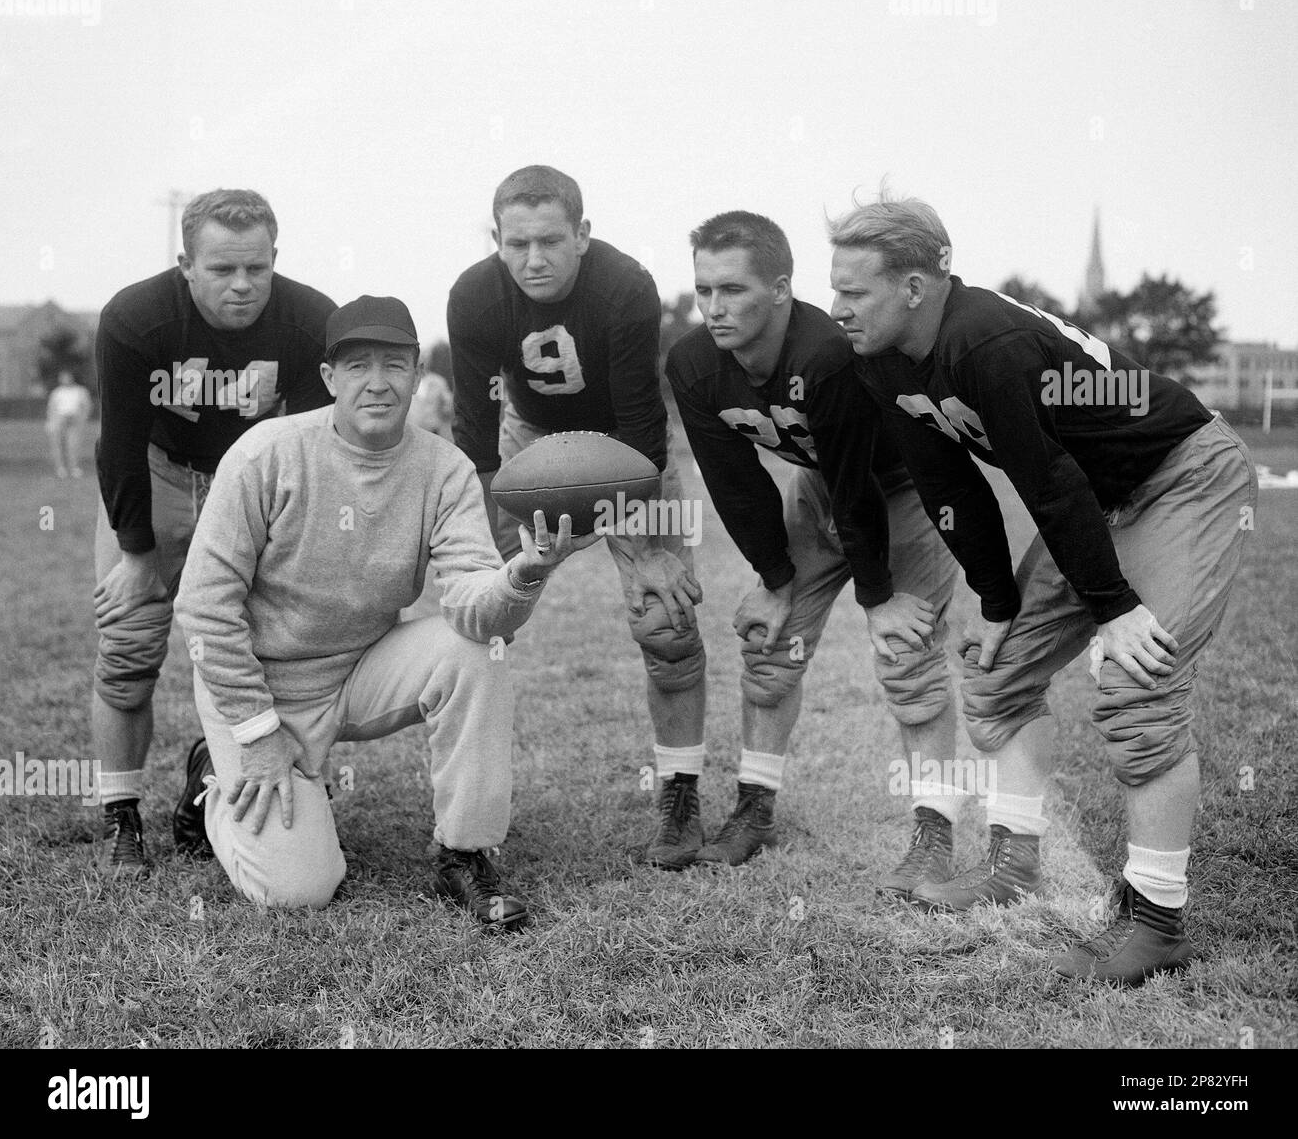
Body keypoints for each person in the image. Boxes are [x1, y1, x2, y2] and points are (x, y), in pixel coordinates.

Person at [828, 192, 1257, 984]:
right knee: (996, 672)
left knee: (1137, 677)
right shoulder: (881, 360)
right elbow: (946, 480)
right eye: (835, 288)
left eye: (854, 291)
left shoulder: (986, 342)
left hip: (1182, 474)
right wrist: (996, 604)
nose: (838, 308)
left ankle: (1157, 918)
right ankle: (1012, 862)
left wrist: (1117, 609)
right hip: (1096, 499)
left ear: (915, 287)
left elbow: (1049, 483)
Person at [173, 296, 597, 926]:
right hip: (262, 693)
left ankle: (465, 853)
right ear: (328, 378)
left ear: (416, 372)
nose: (378, 382)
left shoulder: (444, 468)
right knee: (299, 891)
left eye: (394, 364)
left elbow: (472, 609)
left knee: (474, 651)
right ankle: (215, 781)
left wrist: (524, 574)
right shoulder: (268, 453)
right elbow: (204, 606)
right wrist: (256, 735)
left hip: (358, 667)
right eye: (358, 365)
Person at [662, 212, 965, 881]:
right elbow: (734, 480)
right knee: (770, 648)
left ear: (780, 288)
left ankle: (934, 827)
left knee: (907, 658)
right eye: (704, 289)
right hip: (824, 484)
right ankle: (755, 805)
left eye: (733, 289)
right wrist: (775, 578)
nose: (714, 307)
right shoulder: (693, 363)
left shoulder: (826, 354)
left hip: (904, 487)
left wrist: (877, 596)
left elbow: (861, 485)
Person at [448, 166, 707, 840]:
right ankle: (464, 800)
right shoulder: (474, 296)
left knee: (667, 621)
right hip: (530, 441)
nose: (534, 259)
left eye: (552, 241)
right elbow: (476, 441)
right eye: (517, 243)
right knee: (478, 616)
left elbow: (646, 430)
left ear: (583, 235)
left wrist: (650, 549)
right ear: (496, 239)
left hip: (625, 445)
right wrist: (485, 549)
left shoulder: (623, 286)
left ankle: (679, 795)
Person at [91, 188, 335, 878]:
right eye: (223, 269)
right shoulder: (136, 317)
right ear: (185, 264)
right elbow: (118, 442)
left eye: (257, 268)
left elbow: (313, 448)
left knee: (269, 641)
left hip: (249, 484)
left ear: (275, 259)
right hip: (159, 471)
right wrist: (138, 552)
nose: (242, 285)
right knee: (128, 644)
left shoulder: (310, 318)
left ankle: (216, 773)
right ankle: (121, 815)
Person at [46, 370, 93, 478]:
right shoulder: (57, 392)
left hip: (74, 420)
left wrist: (82, 418)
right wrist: (51, 421)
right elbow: (51, 408)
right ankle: (60, 468)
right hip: (60, 420)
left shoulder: (80, 391)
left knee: (73, 445)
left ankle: (74, 467)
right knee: (57, 445)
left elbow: (87, 406)